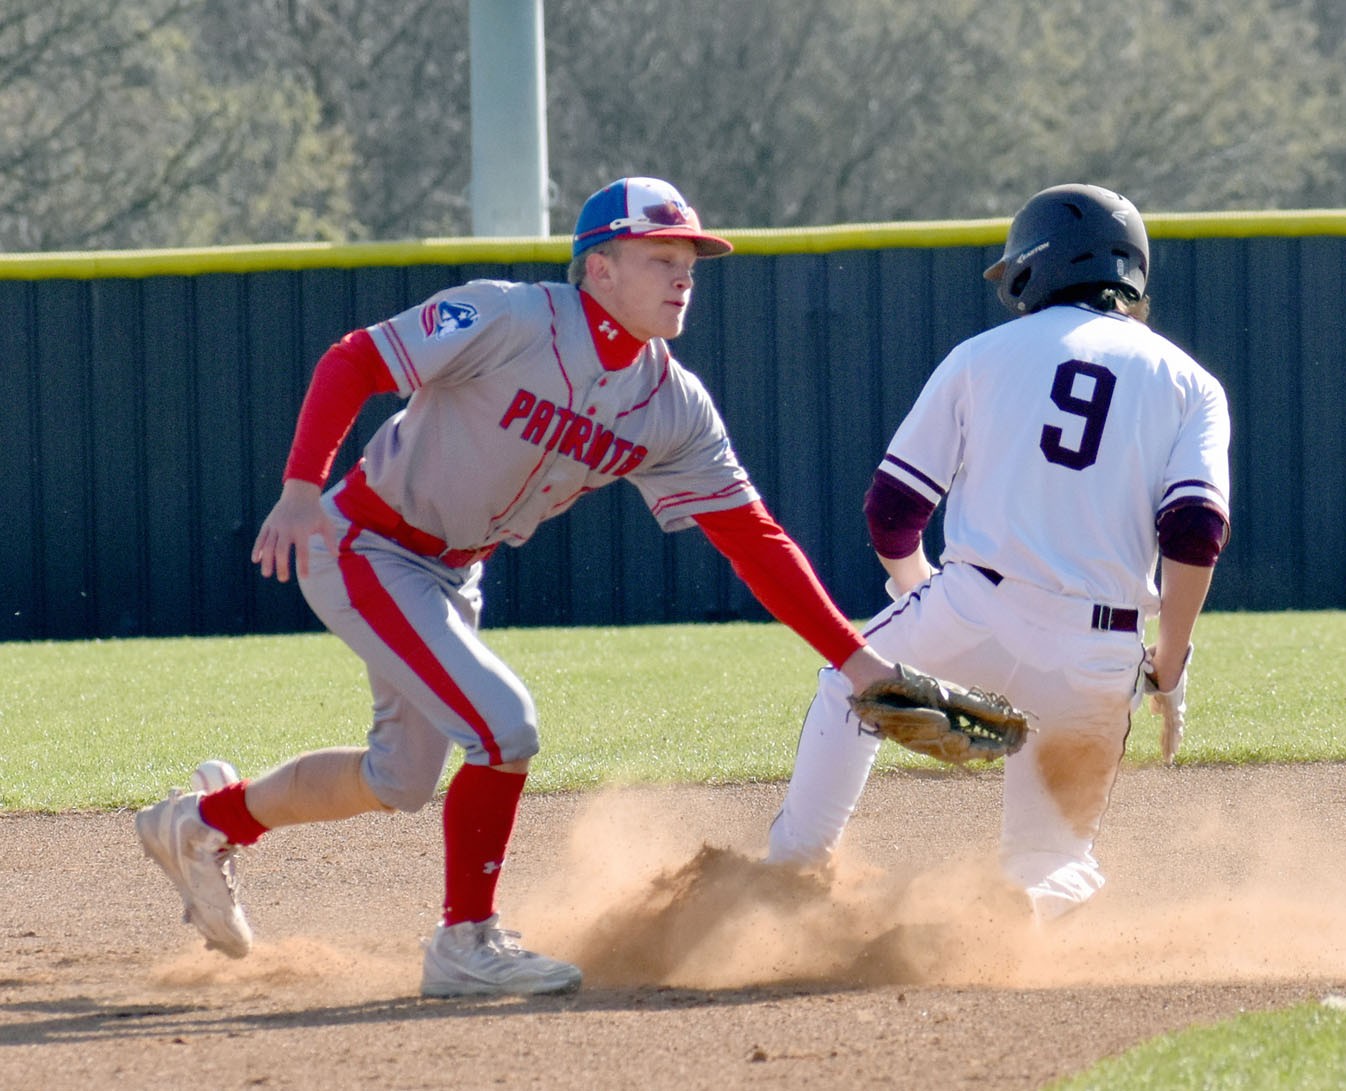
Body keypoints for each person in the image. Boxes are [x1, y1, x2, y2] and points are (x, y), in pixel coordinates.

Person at [135, 176, 896, 996]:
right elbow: (354, 358)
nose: (684, 276)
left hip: (453, 570)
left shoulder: (674, 406)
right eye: (661, 257)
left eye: (690, 261)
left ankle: (204, 824)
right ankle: (464, 942)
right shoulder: (508, 317)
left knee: (400, 778)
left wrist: (857, 663)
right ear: (600, 268)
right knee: (505, 727)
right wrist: (298, 488)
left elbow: (754, 539)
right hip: (364, 542)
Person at [765, 184, 1231, 922]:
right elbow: (1196, 529)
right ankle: (1015, 915)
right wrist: (1169, 665)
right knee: (1056, 859)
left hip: (974, 606)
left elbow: (892, 510)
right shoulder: (1192, 383)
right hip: (1097, 649)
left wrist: (916, 588)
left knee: (850, 686)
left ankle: (791, 871)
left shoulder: (980, 356)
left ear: (1036, 264)